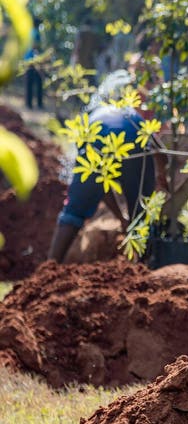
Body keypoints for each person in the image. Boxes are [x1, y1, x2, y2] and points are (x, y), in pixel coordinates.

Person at [48, 103, 167, 263]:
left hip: (99, 145)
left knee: (73, 212)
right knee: (140, 213)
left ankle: (51, 265)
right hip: (134, 144)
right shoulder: (130, 115)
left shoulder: (89, 122)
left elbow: (100, 184)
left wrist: (120, 218)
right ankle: (141, 266)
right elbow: (158, 148)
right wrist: (163, 175)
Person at [23, 17, 44, 109]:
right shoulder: (36, 33)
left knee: (29, 83)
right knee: (39, 83)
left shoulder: (29, 32)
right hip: (34, 61)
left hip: (27, 60)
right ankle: (38, 104)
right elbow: (36, 47)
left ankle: (28, 103)